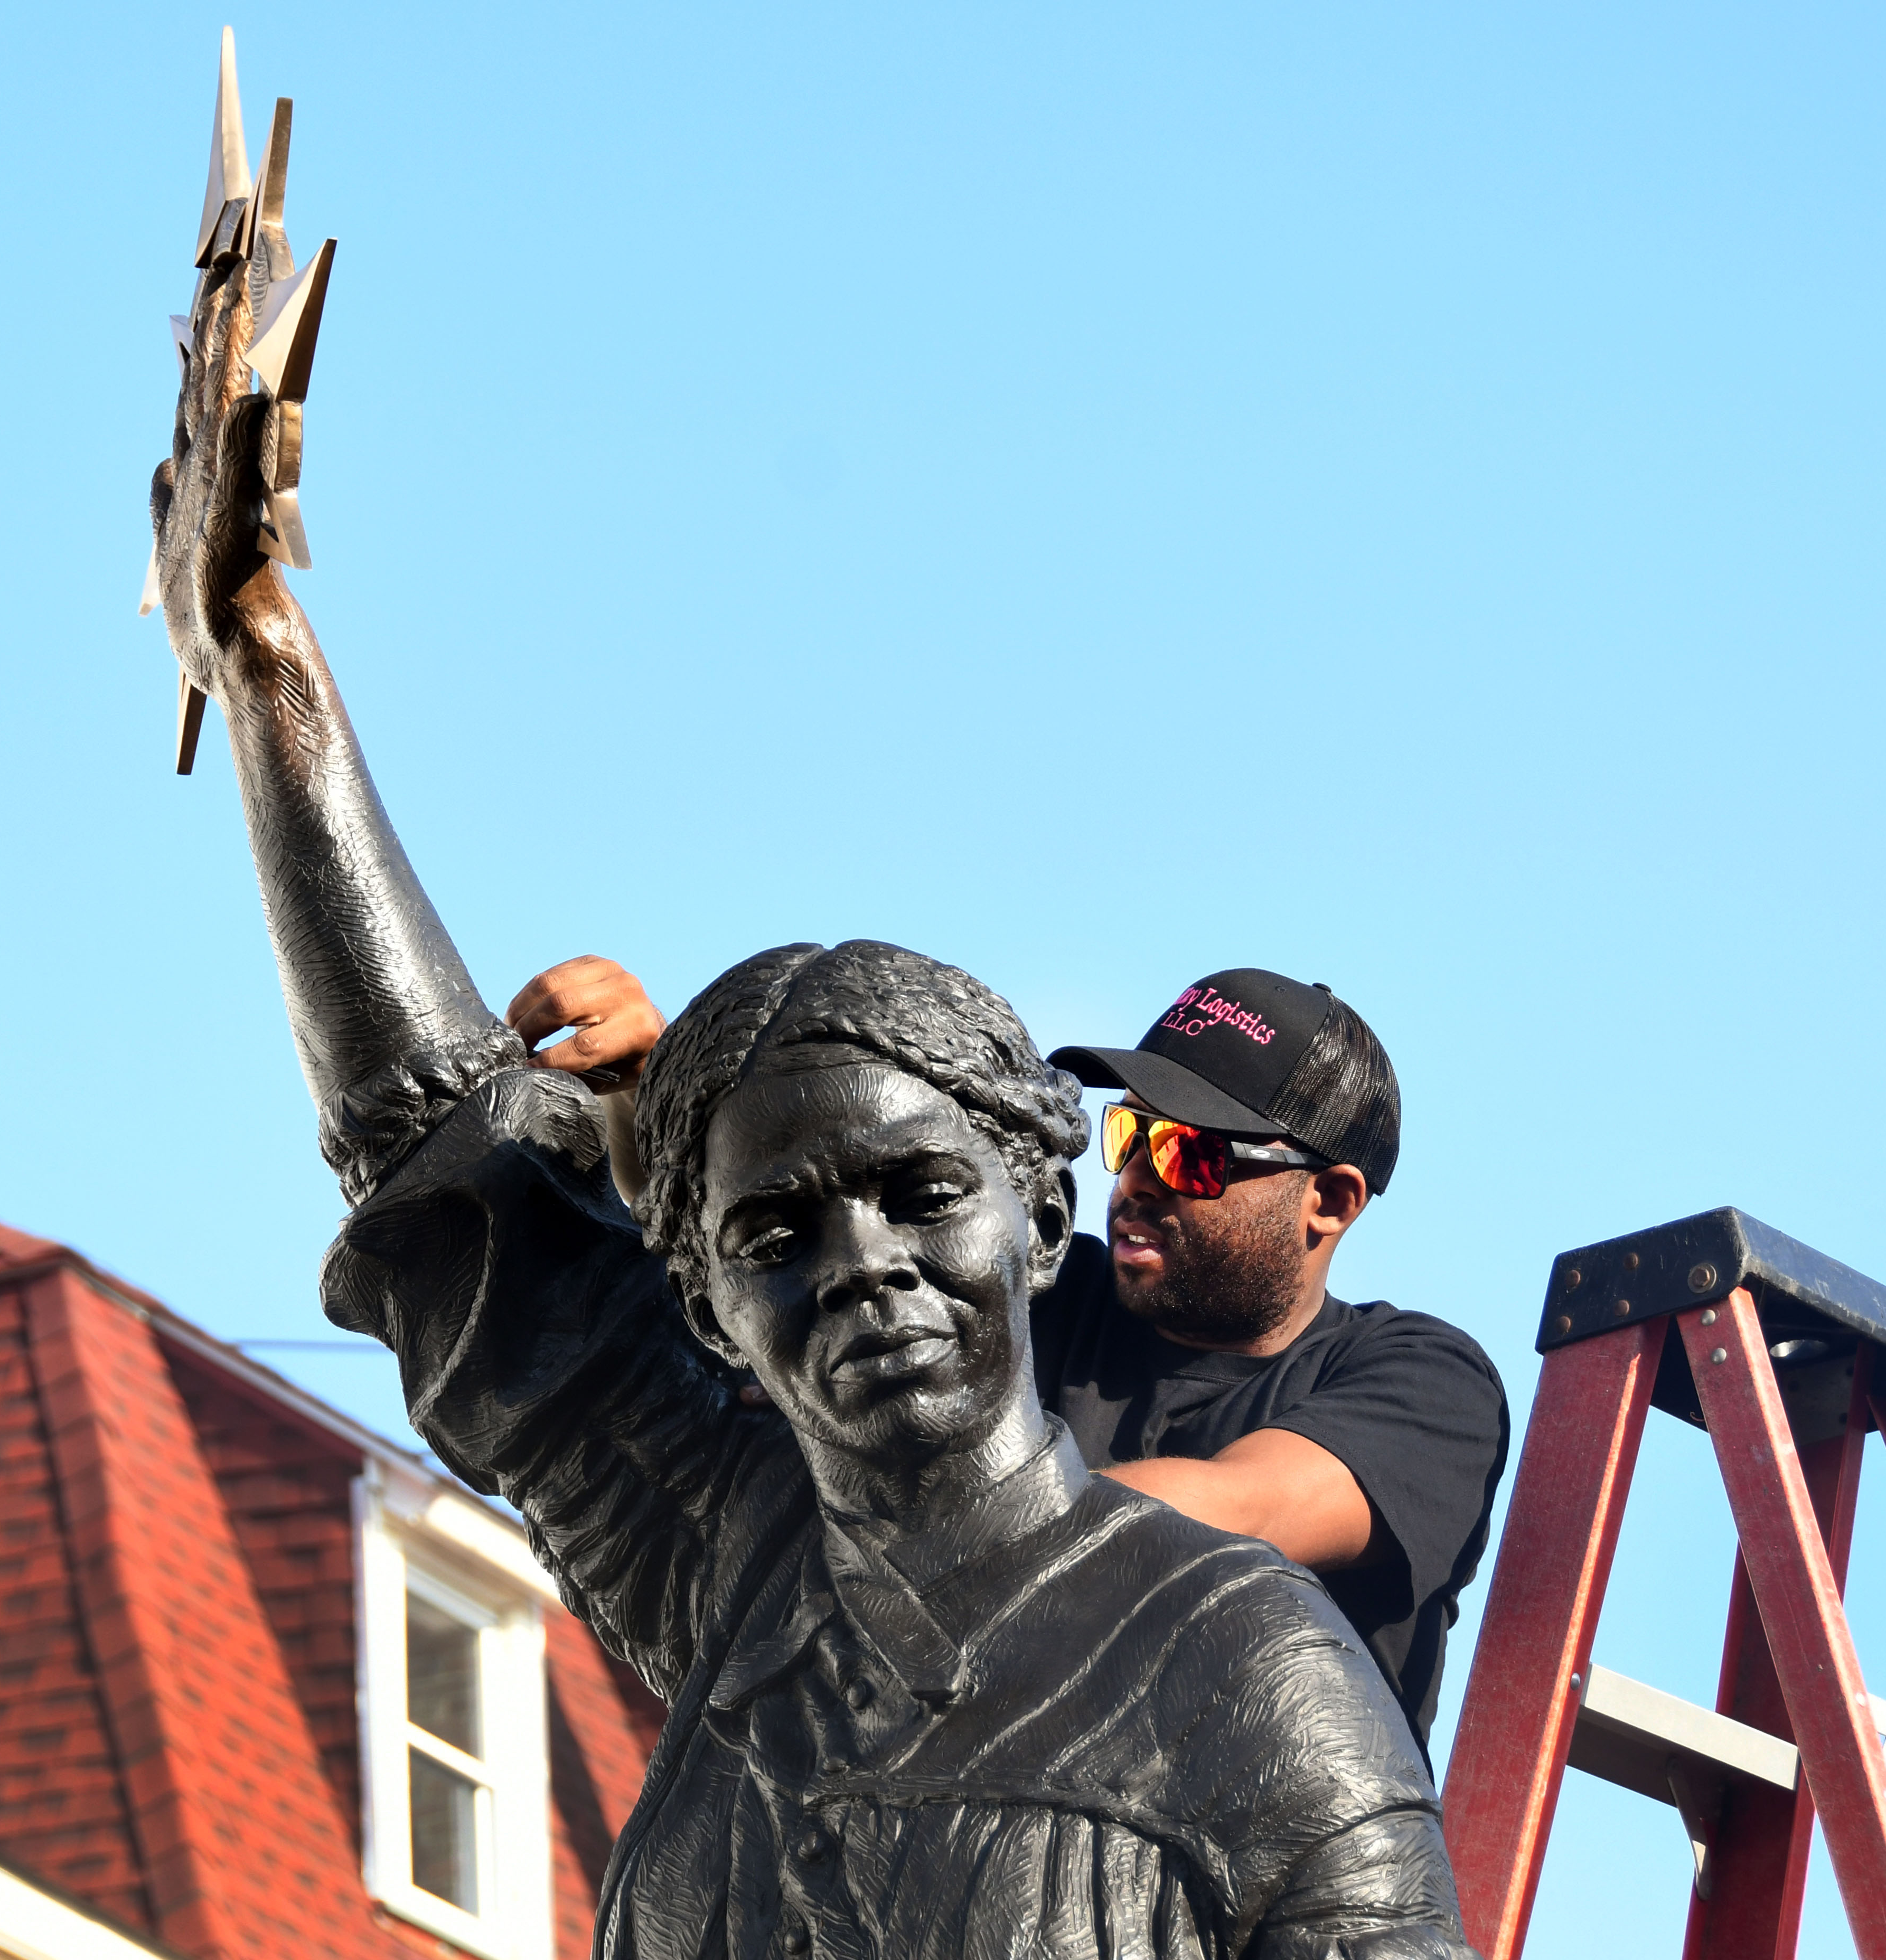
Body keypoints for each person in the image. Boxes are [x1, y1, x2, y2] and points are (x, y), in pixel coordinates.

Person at [146, 259, 1474, 1955]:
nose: (859, 1262)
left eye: (921, 1195)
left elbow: (1255, 1521)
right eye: (774, 1232)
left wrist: (953, 1527)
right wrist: (265, 668)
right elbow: (449, 1168)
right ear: (711, 1297)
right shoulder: (747, 1578)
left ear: (1027, 1211)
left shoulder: (1268, 1646)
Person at [505, 959, 1509, 1766]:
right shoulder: (1032, 1293)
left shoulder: (1421, 1382)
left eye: (1195, 1158)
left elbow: (1228, 1513)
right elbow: (762, 1295)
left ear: (1327, 1203)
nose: (1139, 1181)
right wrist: (654, 1106)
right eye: (1132, 1135)